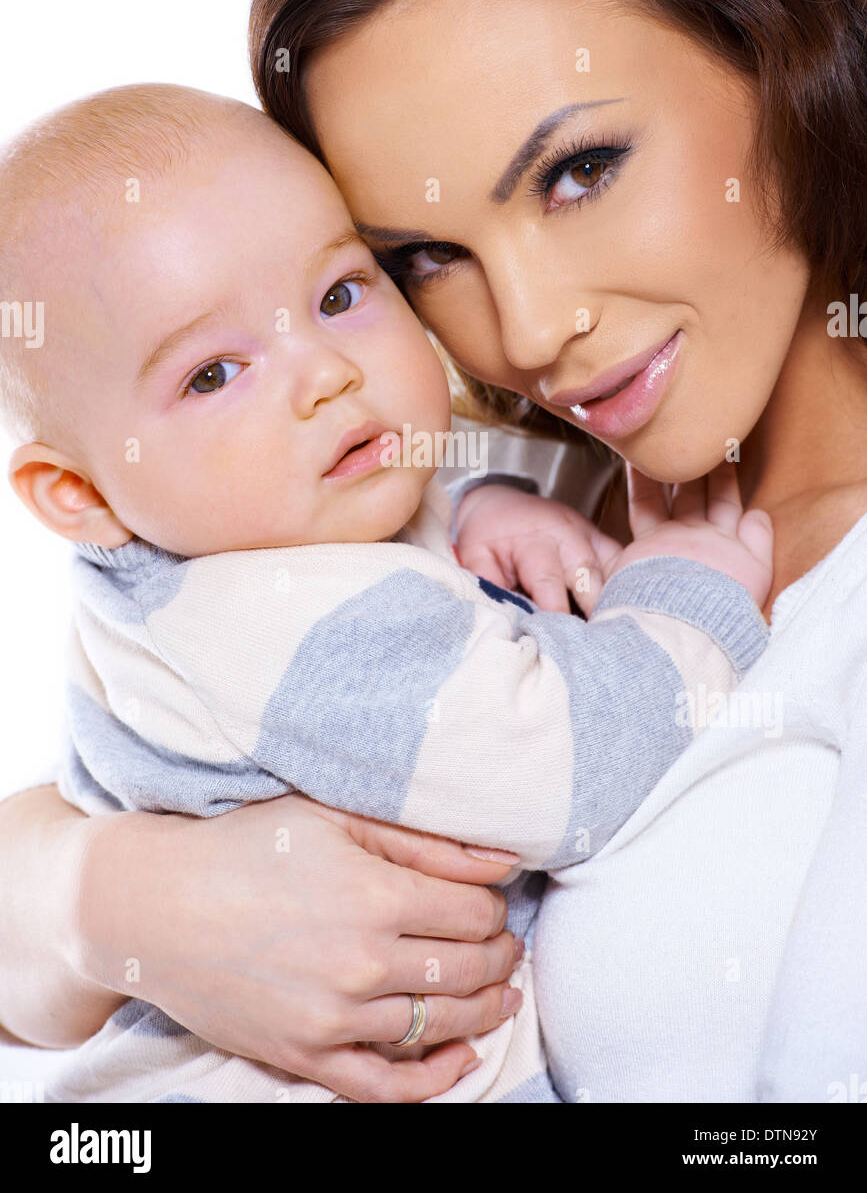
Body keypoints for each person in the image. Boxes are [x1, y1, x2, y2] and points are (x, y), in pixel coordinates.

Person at [3, 0, 865, 1103]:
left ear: (786, 45)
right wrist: (122, 898)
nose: (528, 331)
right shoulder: (478, 486)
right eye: (421, 254)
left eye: (578, 169)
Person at [1, 82, 771, 1102]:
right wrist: (685, 602)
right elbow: (576, 765)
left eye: (337, 296)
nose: (322, 372)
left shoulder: (245, 543)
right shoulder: (271, 614)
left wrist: (479, 506)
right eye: (213, 374)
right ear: (79, 494)